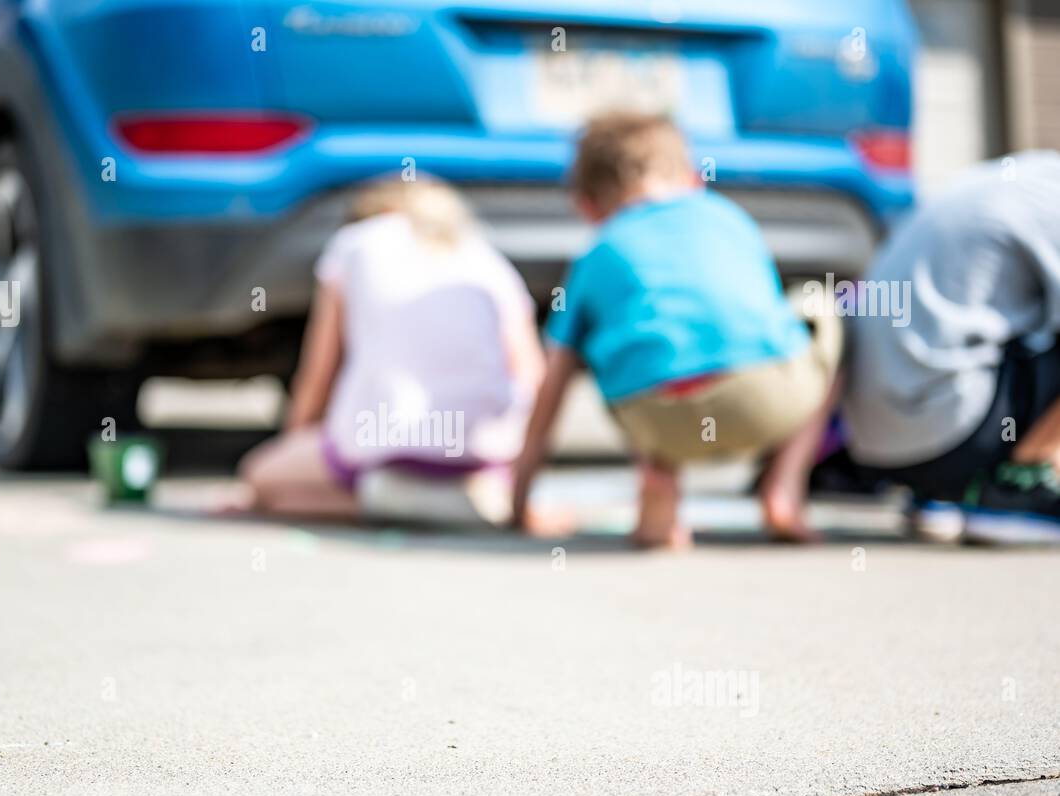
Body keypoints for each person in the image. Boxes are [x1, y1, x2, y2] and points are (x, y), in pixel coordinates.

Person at [511, 112, 842, 548]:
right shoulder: (728, 218)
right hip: (762, 402)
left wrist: (519, 503)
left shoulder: (595, 255)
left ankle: (659, 481)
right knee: (820, 306)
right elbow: (766, 320)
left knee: (634, 343)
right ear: (693, 179)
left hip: (656, 418)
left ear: (587, 206)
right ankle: (784, 486)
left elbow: (551, 386)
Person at [239, 176, 545, 522]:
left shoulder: (354, 242)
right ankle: (460, 502)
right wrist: (521, 477)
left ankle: (393, 501)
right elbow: (531, 375)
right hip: (484, 454)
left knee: (262, 478)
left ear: (381, 210)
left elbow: (319, 373)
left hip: (386, 445)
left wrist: (292, 444)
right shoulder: (487, 258)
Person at [842, 151, 1060, 544]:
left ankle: (945, 495)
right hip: (953, 437)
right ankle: (1016, 489)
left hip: (877, 448)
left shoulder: (1022, 179)